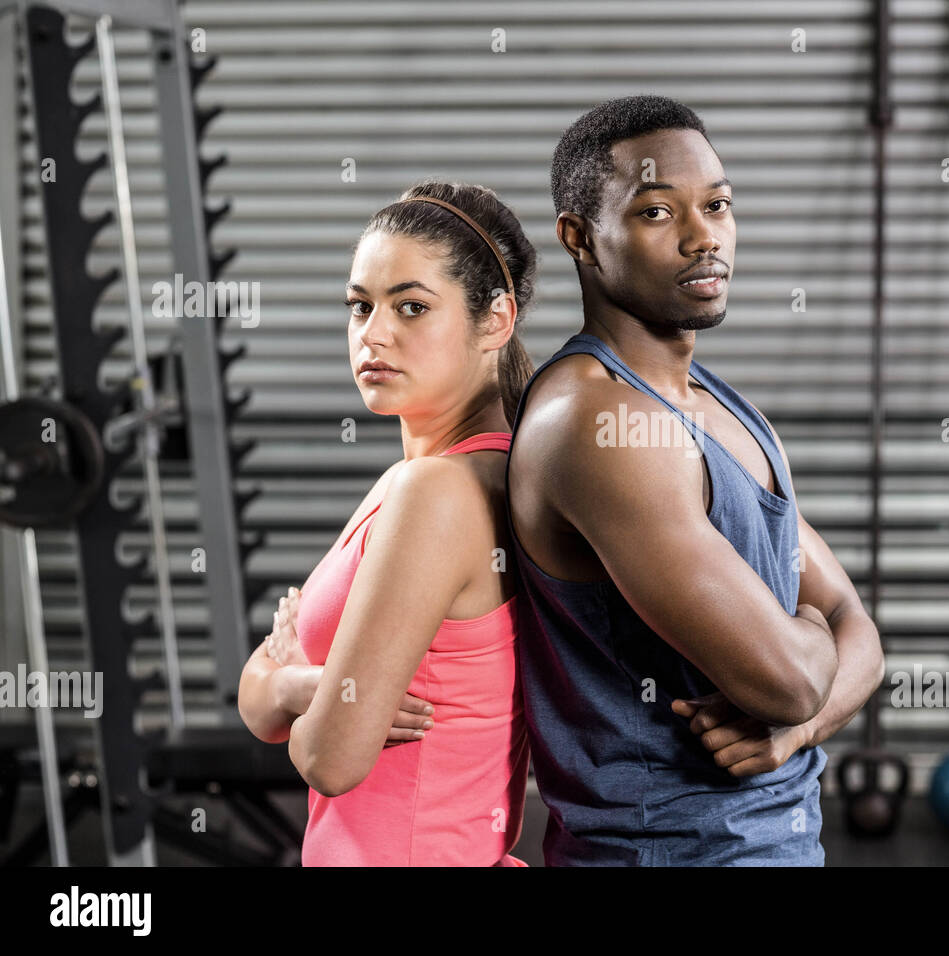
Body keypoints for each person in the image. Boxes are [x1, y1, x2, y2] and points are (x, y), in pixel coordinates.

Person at [506, 95, 887, 866]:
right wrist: (808, 649)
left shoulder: (720, 410)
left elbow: (859, 629)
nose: (702, 236)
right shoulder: (594, 422)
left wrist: (799, 729)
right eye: (656, 212)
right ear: (581, 239)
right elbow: (789, 676)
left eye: (717, 205)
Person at [236, 180, 538, 866]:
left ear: (495, 320)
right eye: (360, 306)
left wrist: (298, 679)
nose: (373, 334)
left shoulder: (436, 492)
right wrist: (303, 685)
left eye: (411, 307)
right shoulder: (445, 477)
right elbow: (258, 699)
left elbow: (329, 759)